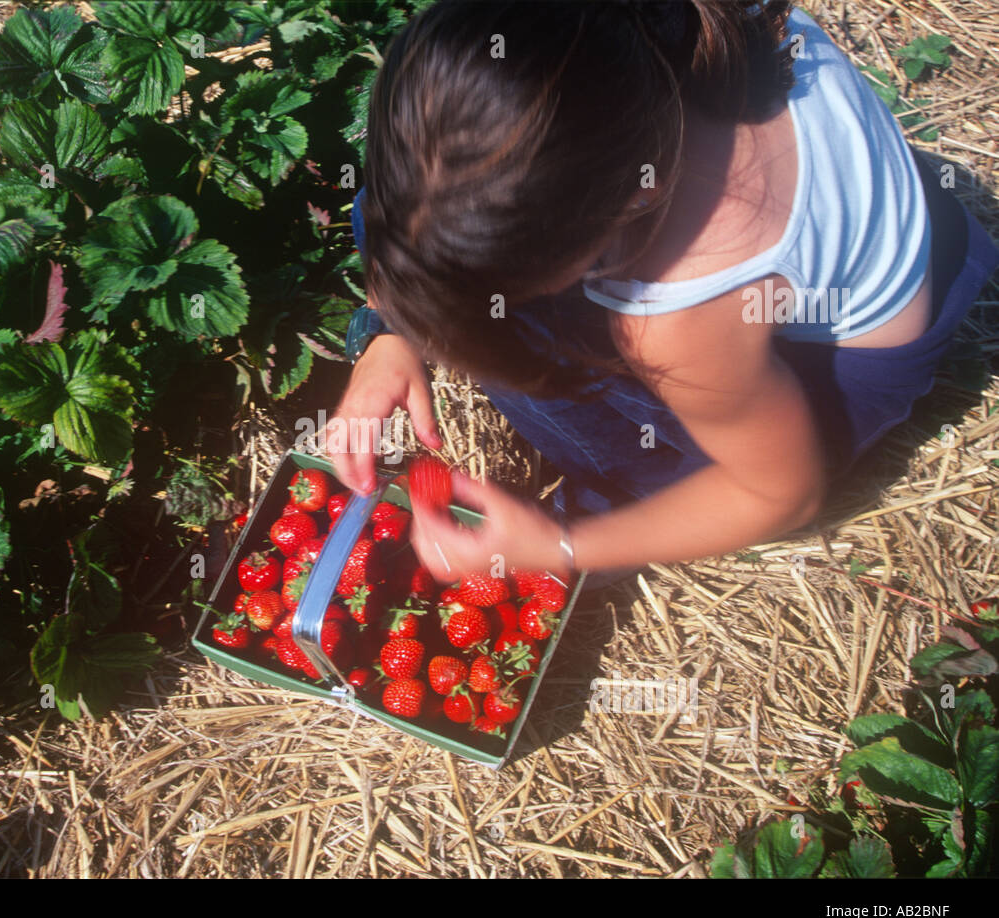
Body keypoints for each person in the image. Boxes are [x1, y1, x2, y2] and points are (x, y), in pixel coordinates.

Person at [329, 0, 999, 584]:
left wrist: (563, 547)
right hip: (872, 217)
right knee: (397, 209)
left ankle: (619, 497)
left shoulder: (680, 312)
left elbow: (784, 494)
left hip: (842, 372)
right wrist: (392, 335)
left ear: (625, 210)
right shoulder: (623, 29)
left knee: (529, 356)